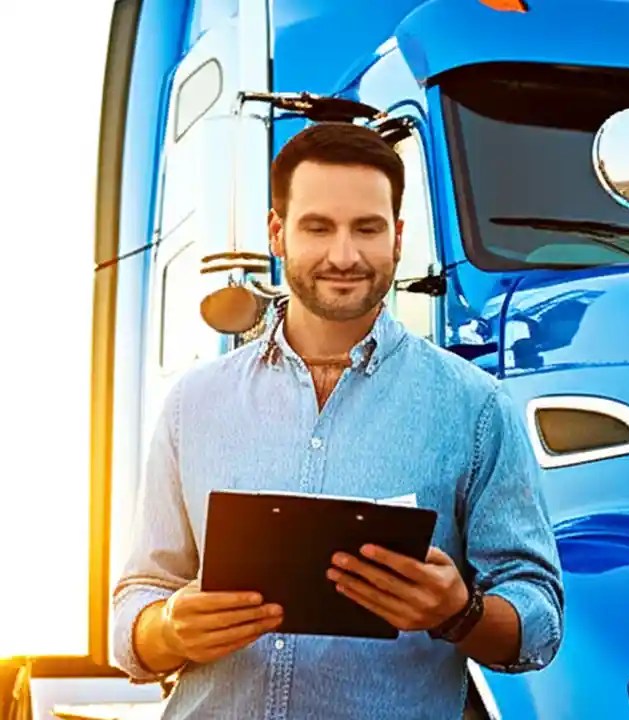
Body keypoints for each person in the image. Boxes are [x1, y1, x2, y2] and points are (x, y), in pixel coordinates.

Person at [109, 121, 564, 719]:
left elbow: (539, 623)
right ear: (277, 233)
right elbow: (133, 610)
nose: (344, 256)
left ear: (398, 238)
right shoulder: (192, 404)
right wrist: (169, 627)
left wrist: (460, 613)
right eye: (318, 227)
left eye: (367, 229)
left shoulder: (476, 408)